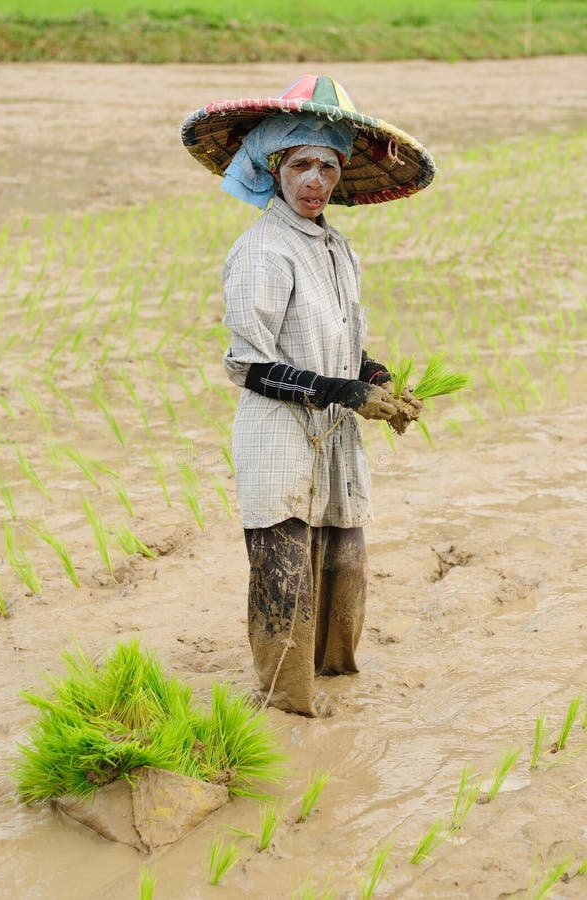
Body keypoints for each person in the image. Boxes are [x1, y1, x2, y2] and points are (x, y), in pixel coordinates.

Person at [181, 75, 435, 716]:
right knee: (285, 576)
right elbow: (247, 366)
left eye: (328, 165)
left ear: (341, 172)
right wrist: (346, 391)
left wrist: (374, 382)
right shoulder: (263, 251)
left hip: (336, 438)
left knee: (343, 568)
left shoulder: (337, 250)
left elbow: (348, 348)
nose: (315, 180)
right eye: (300, 165)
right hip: (279, 438)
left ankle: (339, 695)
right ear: (275, 168)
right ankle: (286, 709)